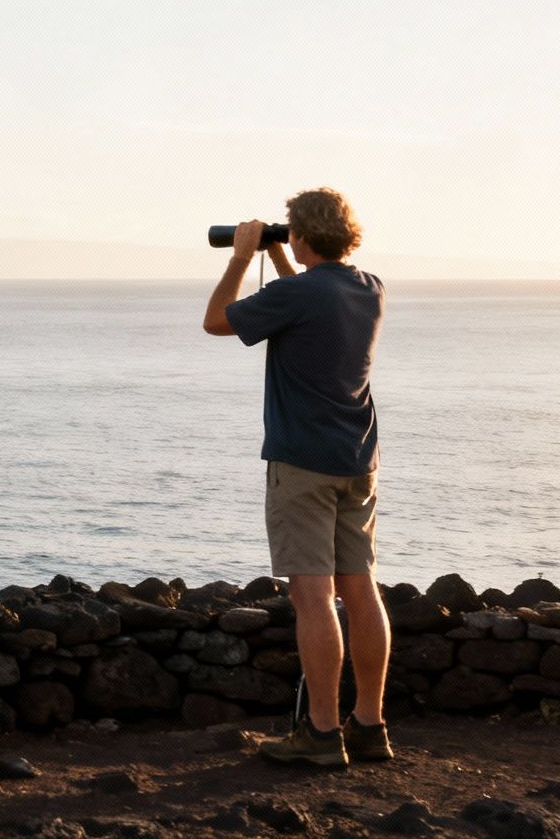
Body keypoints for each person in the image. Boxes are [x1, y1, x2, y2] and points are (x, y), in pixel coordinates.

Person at [202, 187, 390, 768]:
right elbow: (304, 293)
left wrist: (240, 254)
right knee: (360, 591)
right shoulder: (368, 289)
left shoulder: (296, 295)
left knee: (312, 597)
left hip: (301, 464)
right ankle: (369, 726)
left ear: (301, 235)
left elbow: (215, 322)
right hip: (357, 461)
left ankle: (321, 733)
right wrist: (283, 253)